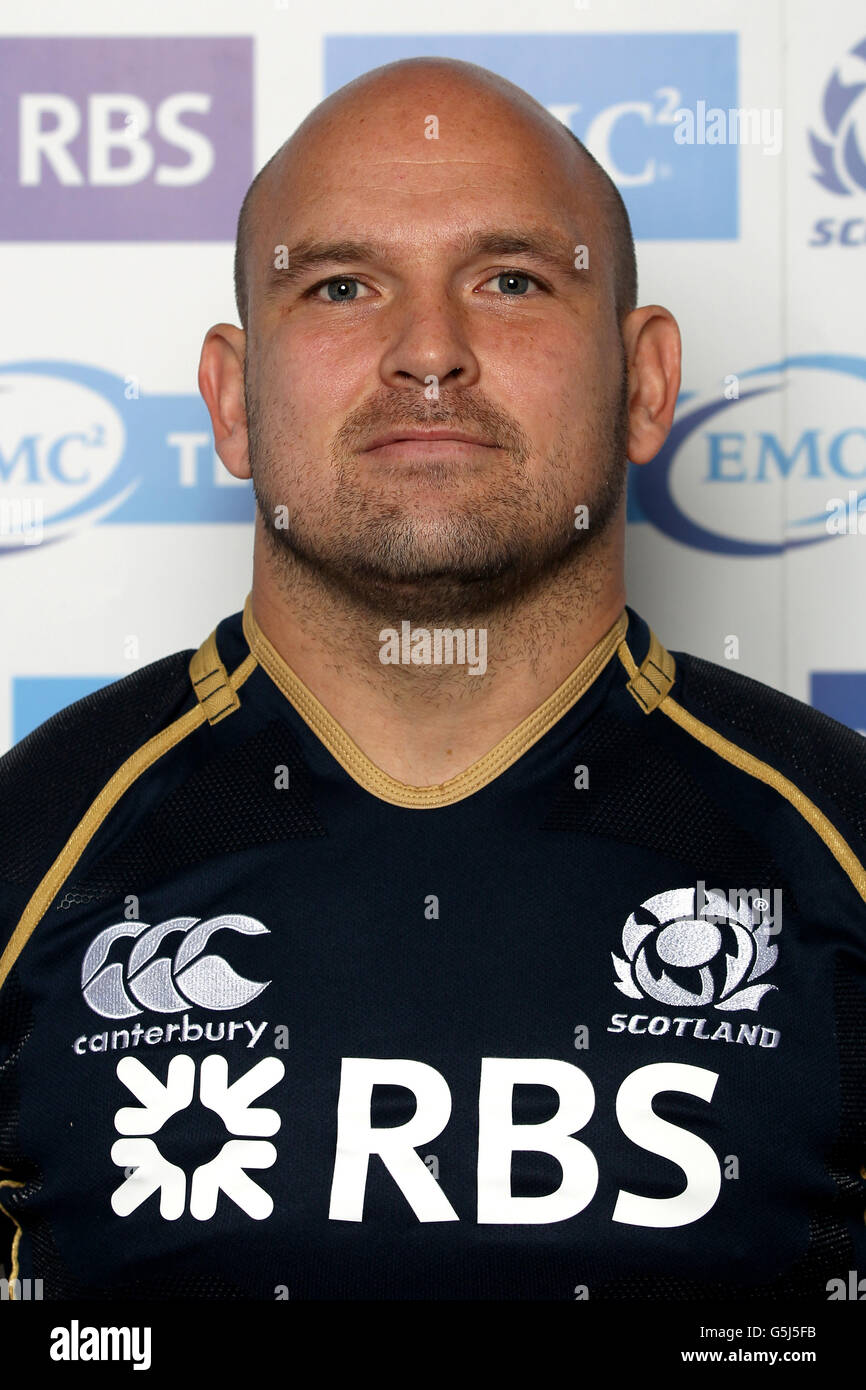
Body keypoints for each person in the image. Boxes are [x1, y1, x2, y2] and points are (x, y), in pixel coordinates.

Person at [1, 56, 864, 1302]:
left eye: (509, 280)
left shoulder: (836, 852)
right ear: (233, 401)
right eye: (342, 285)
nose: (428, 353)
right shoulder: (34, 854)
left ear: (647, 379)